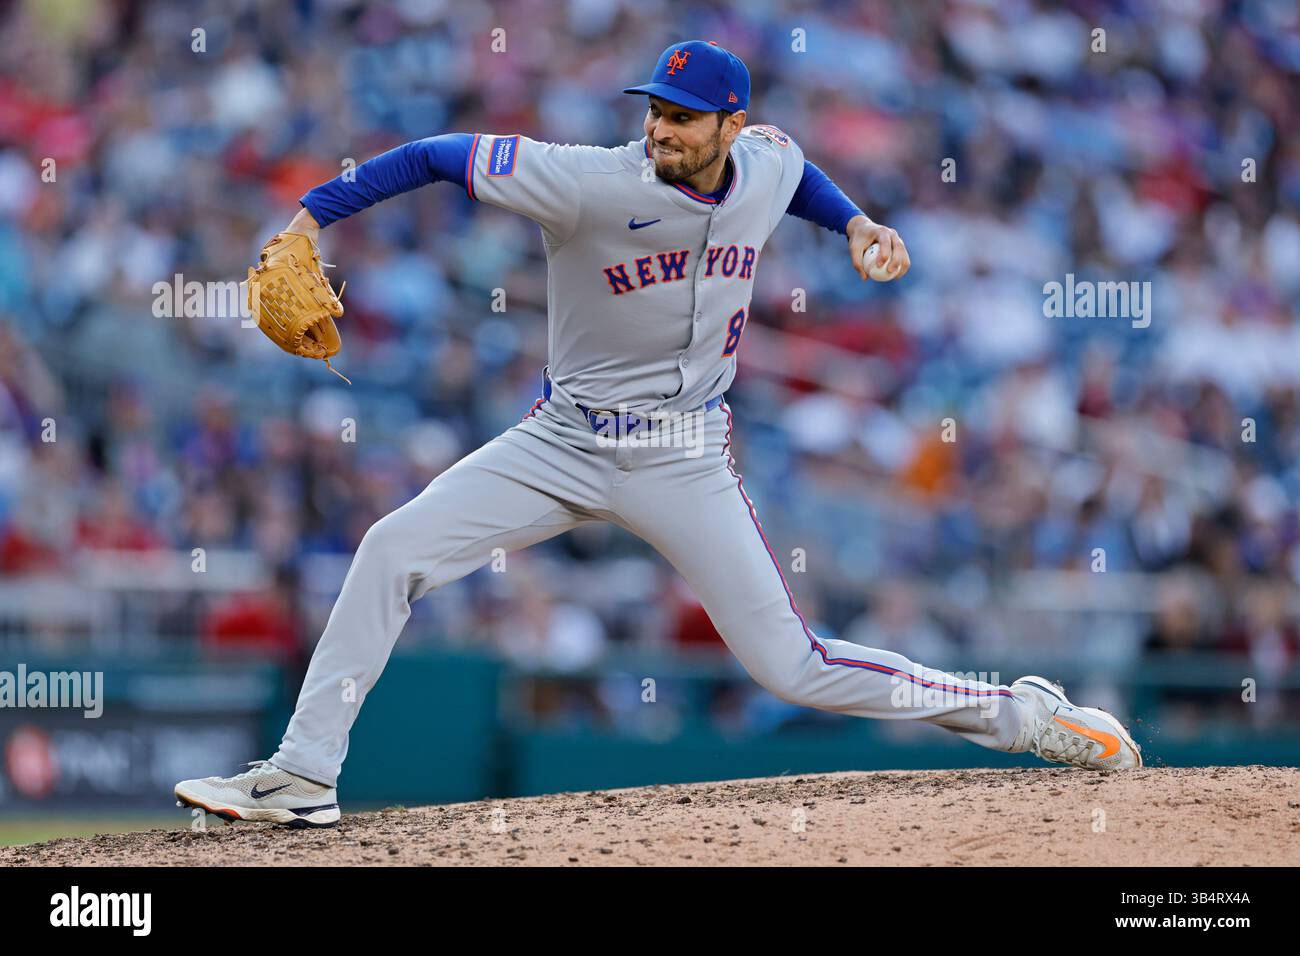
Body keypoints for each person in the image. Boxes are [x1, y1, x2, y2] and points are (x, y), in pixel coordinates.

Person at [175, 40, 1140, 829]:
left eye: (681, 115)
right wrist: (307, 218)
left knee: (790, 665)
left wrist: (853, 226)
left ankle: (1023, 716)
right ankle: (302, 776)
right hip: (561, 440)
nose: (660, 128)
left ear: (729, 124)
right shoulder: (586, 182)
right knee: (391, 548)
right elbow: (434, 155)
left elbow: (797, 177)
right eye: (655, 110)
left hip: (685, 453)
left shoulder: (762, 162)